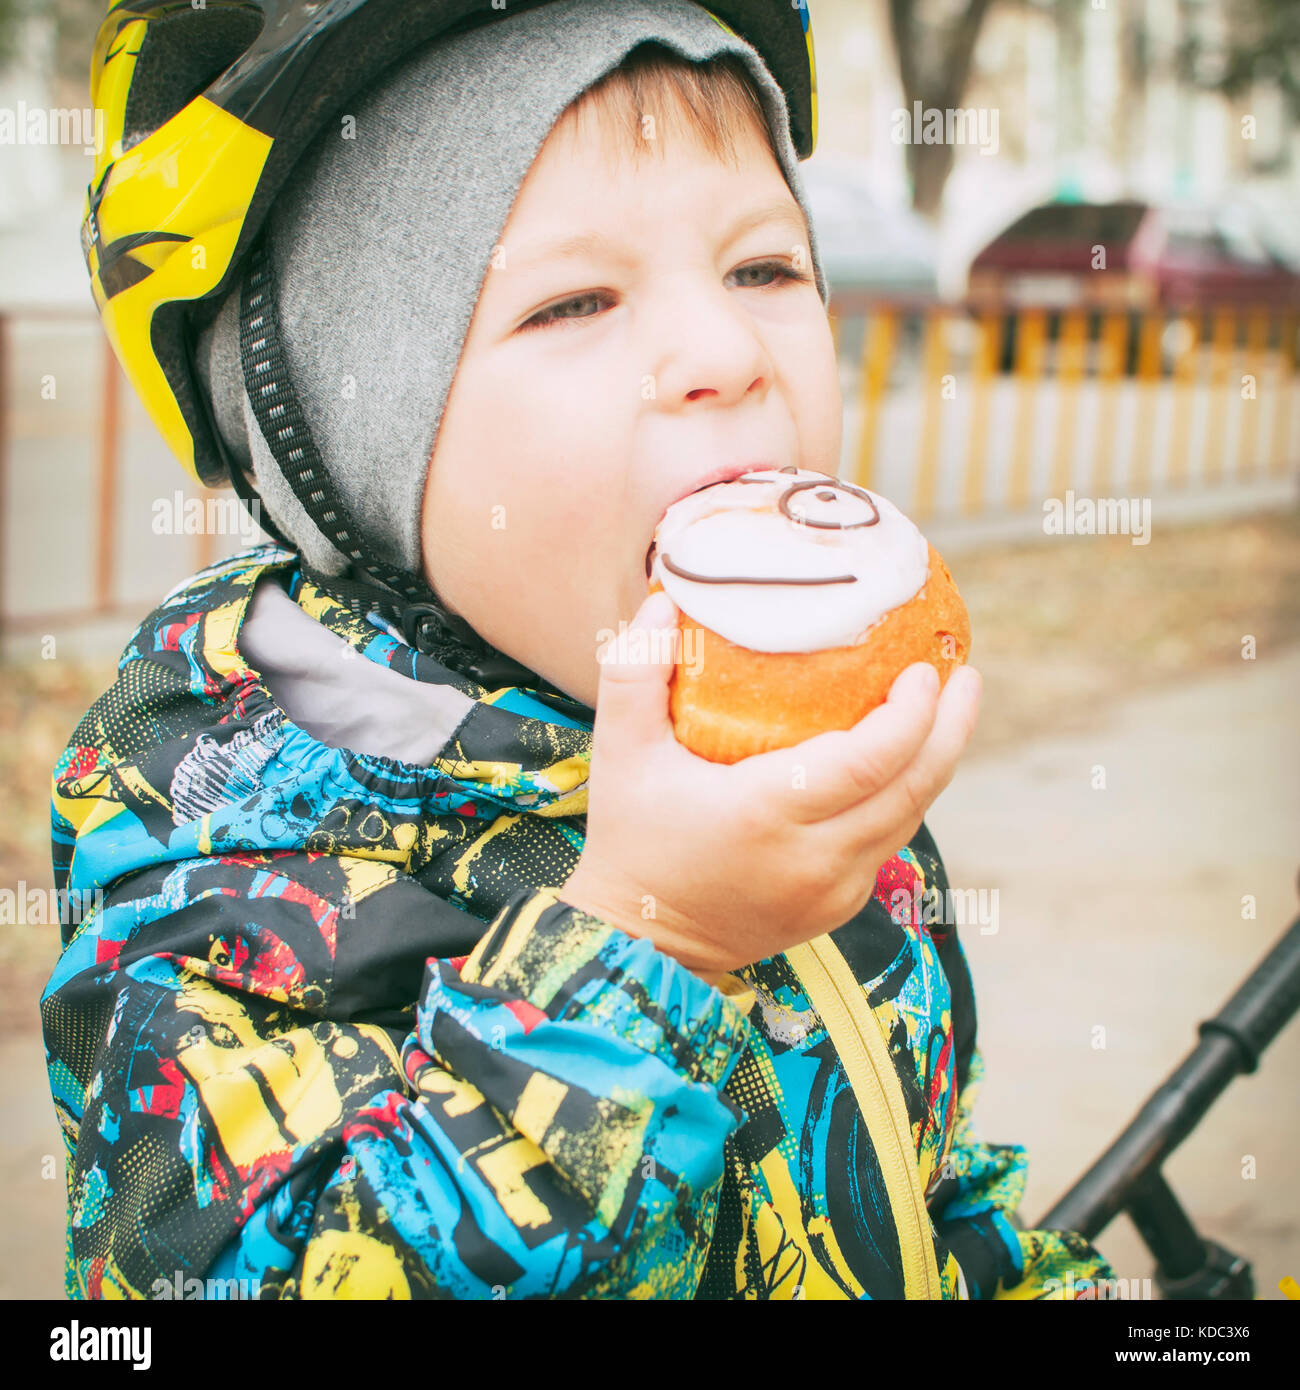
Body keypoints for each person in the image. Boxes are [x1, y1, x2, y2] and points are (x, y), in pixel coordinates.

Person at [43, 0, 1115, 1299]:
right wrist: (648, 943)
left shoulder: (786, 750)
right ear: (331, 453)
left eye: (765, 269)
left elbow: (913, 1178)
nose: (725, 353)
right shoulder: (222, 862)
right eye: (573, 300)